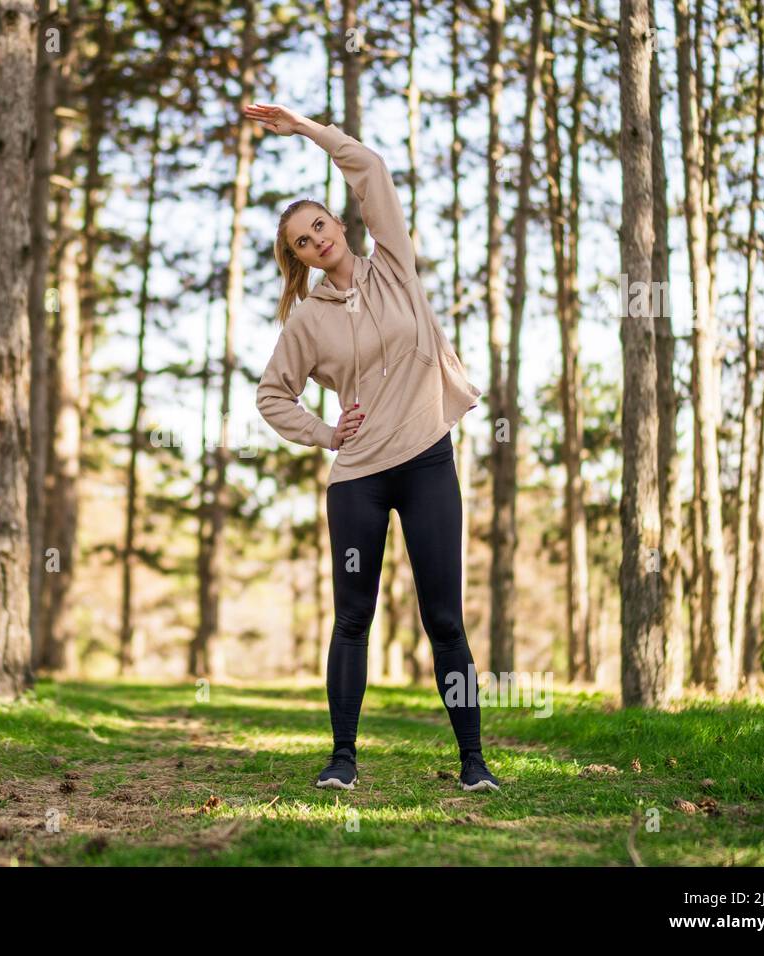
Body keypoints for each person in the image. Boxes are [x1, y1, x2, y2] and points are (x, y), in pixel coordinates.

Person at [247, 102, 500, 793]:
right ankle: (343, 758)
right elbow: (272, 395)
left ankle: (474, 762)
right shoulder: (306, 321)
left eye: (319, 224)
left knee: (444, 618)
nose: (316, 240)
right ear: (296, 258)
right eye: (301, 241)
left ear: (339, 224)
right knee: (353, 617)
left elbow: (371, 170)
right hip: (358, 478)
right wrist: (326, 434)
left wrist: (305, 129)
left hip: (425, 462)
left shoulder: (394, 264)